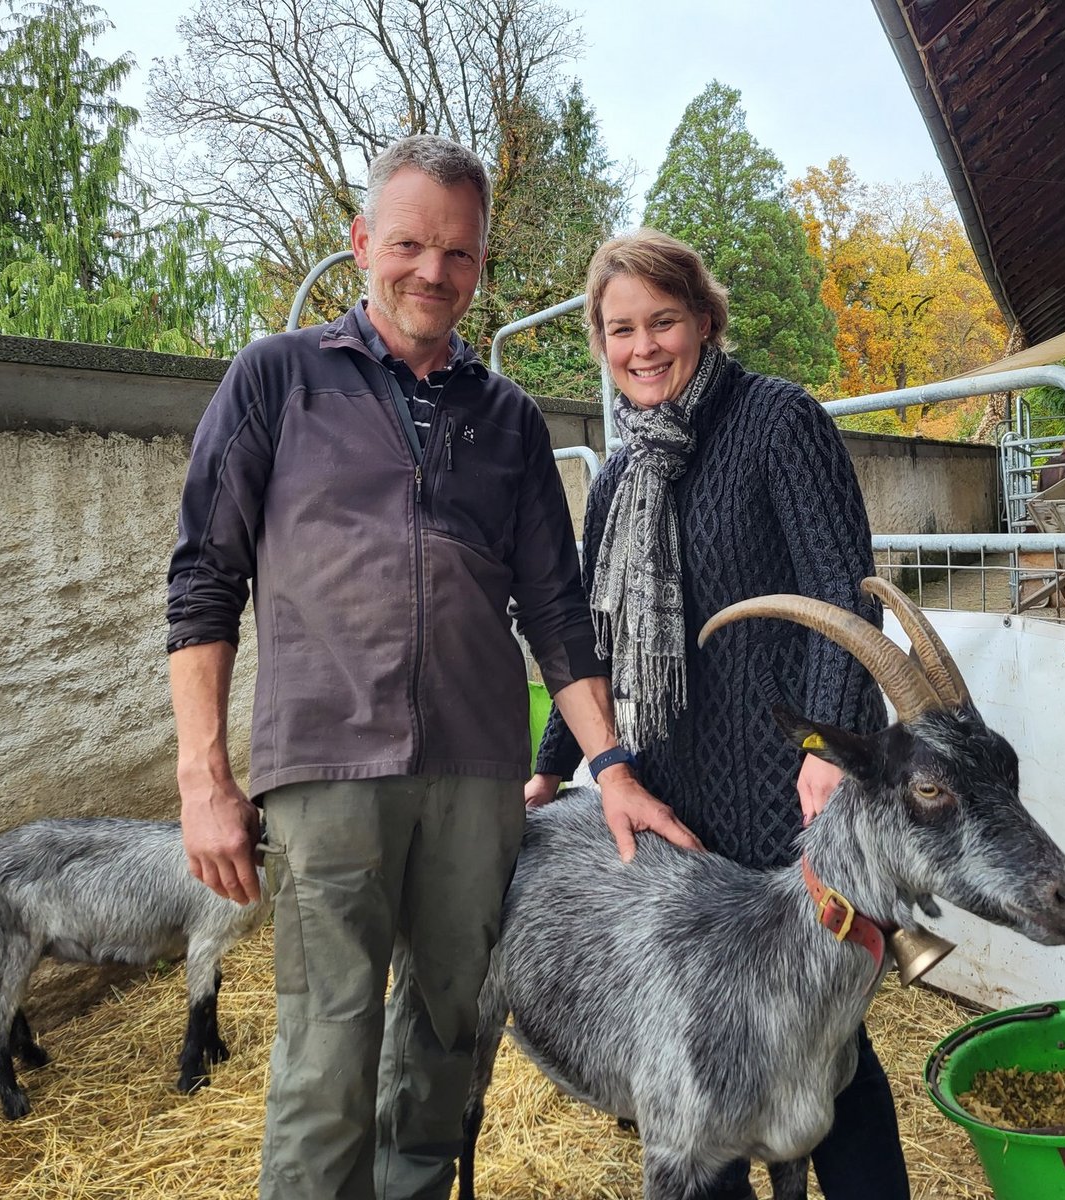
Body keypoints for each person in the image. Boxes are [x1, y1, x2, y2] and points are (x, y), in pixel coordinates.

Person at [164, 137, 696, 1200]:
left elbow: (555, 612)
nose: (431, 272)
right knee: (328, 1045)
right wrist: (201, 773)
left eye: (457, 253)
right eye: (407, 243)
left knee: (449, 1027)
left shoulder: (506, 420)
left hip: (475, 770)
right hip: (325, 765)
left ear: (479, 267)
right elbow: (202, 579)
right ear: (363, 243)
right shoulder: (277, 379)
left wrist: (614, 767)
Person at [528, 228, 912, 1199]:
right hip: (674, 819)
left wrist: (825, 749)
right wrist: (550, 765)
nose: (643, 346)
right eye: (621, 328)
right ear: (599, 339)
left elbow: (842, 590)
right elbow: (593, 637)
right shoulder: (619, 475)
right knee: (708, 1057)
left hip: (791, 800)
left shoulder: (779, 420)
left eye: (663, 320)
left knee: (824, 1045)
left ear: (703, 318)